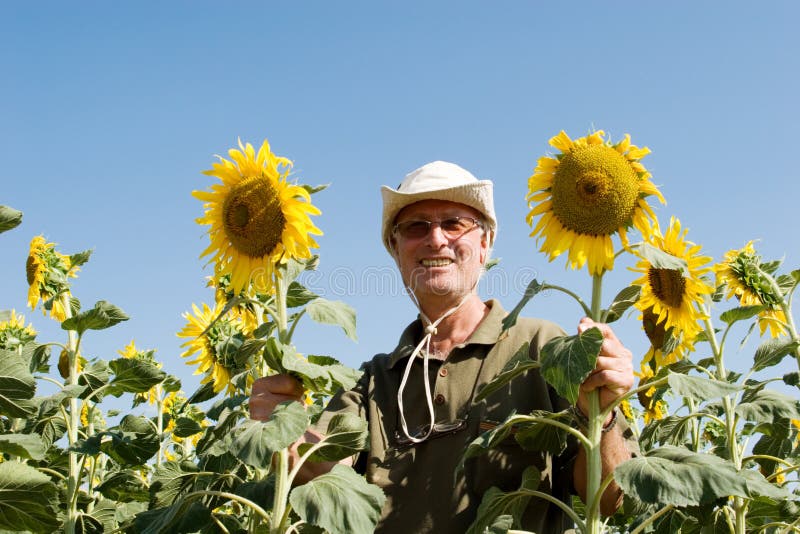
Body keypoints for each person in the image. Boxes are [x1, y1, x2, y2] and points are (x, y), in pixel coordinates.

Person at [249, 161, 637, 533]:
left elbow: (610, 500)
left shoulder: (542, 347)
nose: (436, 238)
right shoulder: (373, 381)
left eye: (454, 223)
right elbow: (319, 469)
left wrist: (599, 415)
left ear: (484, 244)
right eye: (416, 227)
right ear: (396, 250)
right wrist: (281, 428)